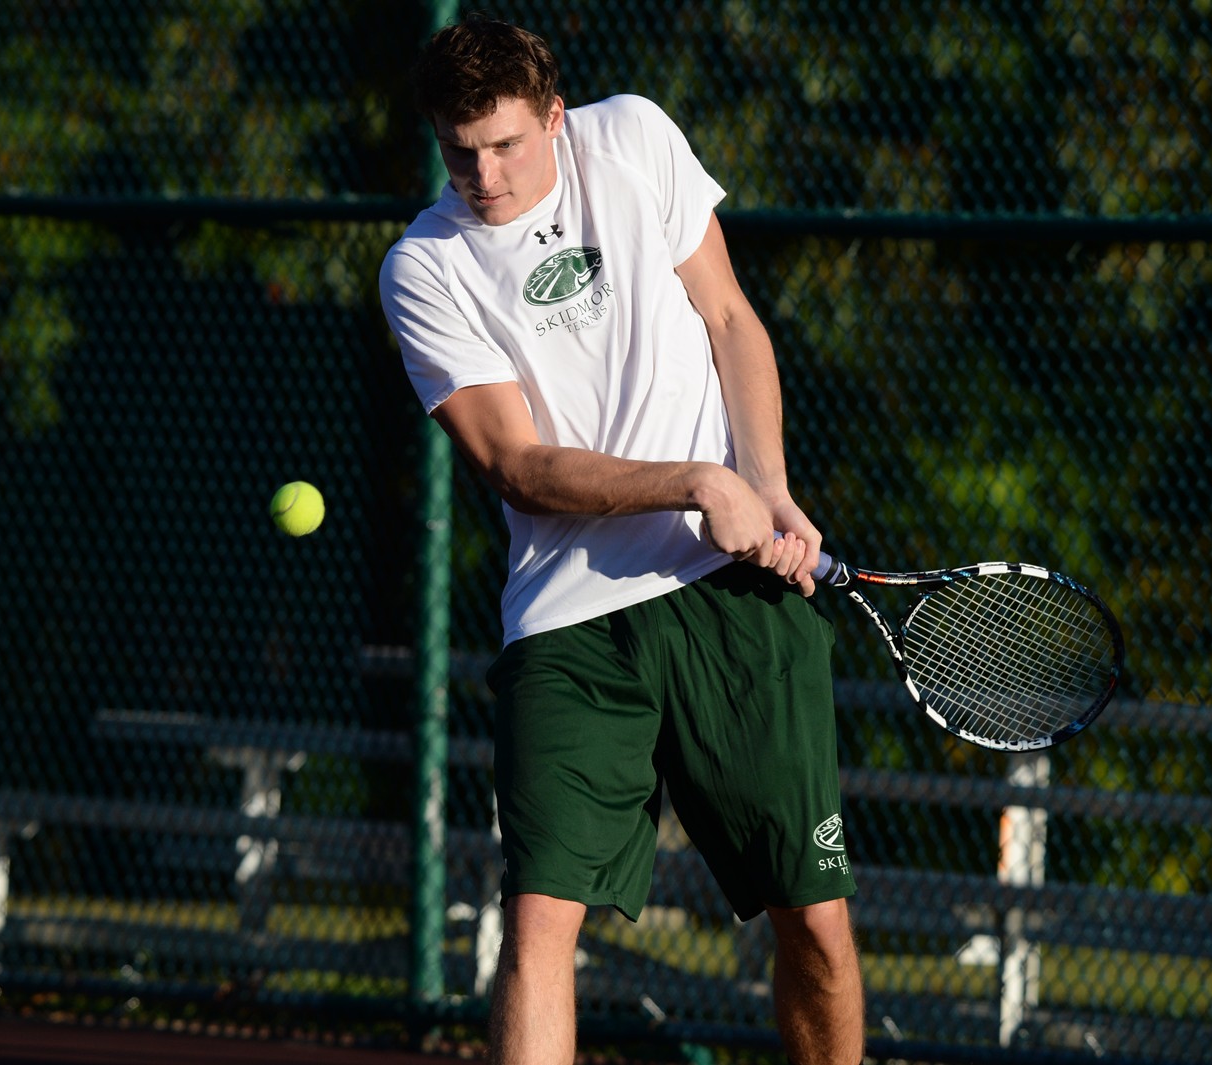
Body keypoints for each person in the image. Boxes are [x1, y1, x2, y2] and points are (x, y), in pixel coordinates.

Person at [378, 15, 863, 1065]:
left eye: (505, 143)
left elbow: (730, 319)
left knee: (813, 921)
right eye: (459, 149)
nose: (484, 173)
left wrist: (764, 487)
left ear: (555, 117)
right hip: (569, 626)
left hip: (730, 600)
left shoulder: (635, 140)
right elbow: (517, 466)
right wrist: (698, 482)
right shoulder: (423, 267)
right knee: (542, 922)